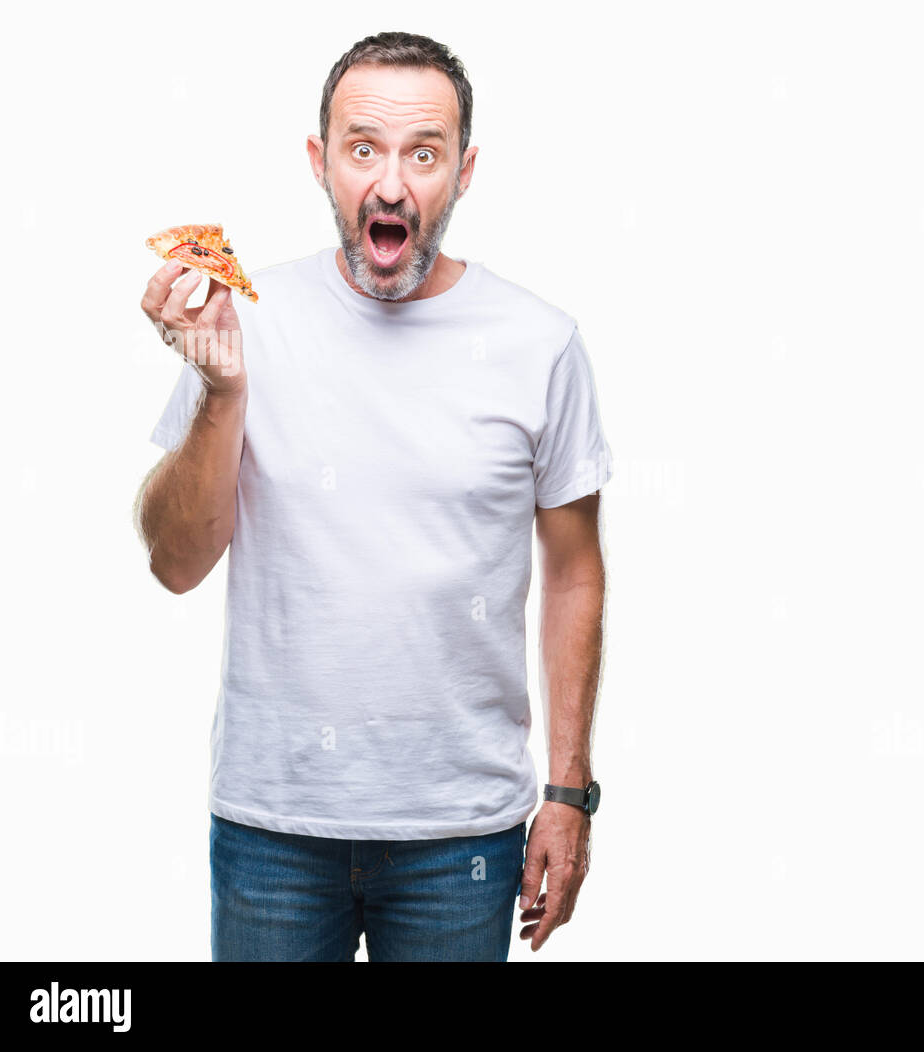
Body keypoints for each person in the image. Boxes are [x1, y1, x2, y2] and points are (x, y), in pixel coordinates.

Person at [134, 32, 612, 961]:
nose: (391, 185)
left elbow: (574, 574)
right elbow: (174, 562)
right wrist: (223, 394)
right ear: (321, 162)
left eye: (422, 153)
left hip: (463, 836)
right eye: (364, 149)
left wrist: (568, 790)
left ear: (463, 172)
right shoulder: (243, 323)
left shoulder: (540, 341)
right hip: (272, 828)